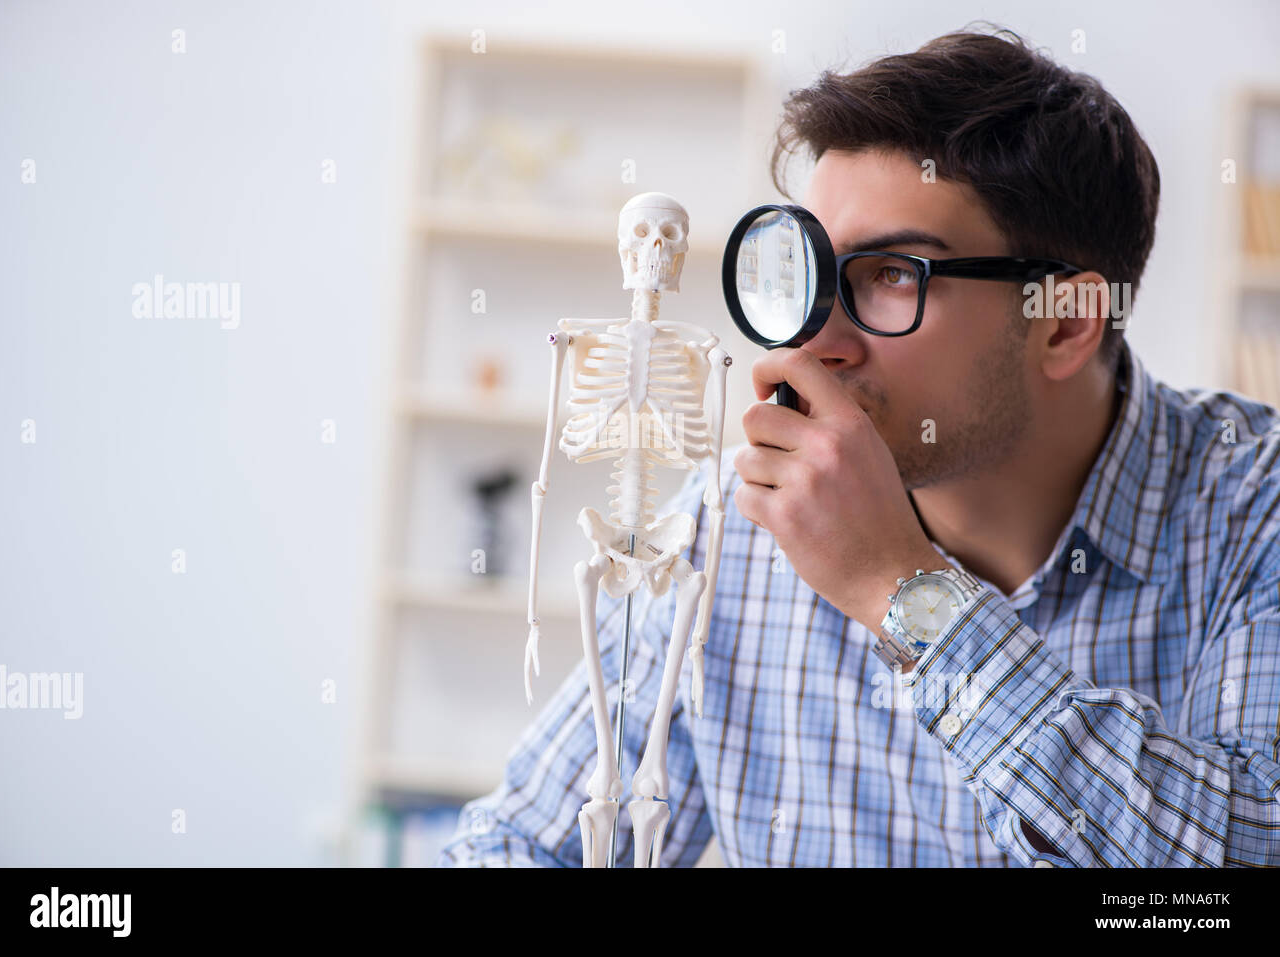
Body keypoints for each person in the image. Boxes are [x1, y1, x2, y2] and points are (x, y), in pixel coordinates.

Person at [437, 25, 1280, 867]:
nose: (817, 342)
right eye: (807, 273)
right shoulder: (730, 525)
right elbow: (516, 843)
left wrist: (901, 588)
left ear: (1062, 323)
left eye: (892, 275)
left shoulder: (1253, 506)